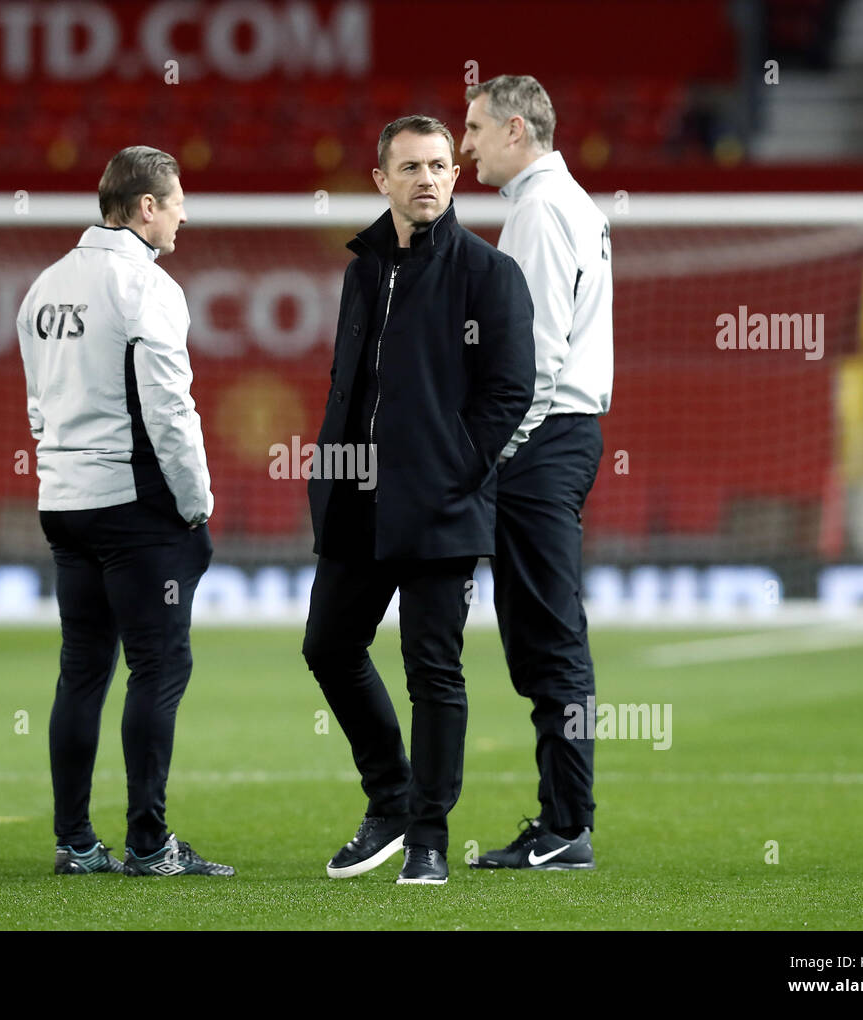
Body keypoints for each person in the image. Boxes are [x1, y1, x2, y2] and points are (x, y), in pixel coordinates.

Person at [302, 115, 535, 885]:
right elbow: (352, 384)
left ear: (455, 176)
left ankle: (429, 834)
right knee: (328, 647)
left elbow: (511, 392)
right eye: (410, 167)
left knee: (432, 669)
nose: (428, 178)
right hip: (358, 498)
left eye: (439, 164)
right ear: (382, 181)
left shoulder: (489, 274)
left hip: (441, 505)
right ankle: (391, 800)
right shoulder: (363, 268)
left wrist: (454, 468)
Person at [16, 145, 233, 878]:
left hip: (63, 502)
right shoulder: (145, 286)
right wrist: (196, 504)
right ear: (146, 207)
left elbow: (37, 407)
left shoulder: (42, 288)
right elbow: (170, 410)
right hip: (134, 506)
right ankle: (149, 844)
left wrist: (58, 473)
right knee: (159, 667)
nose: (182, 217)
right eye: (176, 203)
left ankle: (75, 843)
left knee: (82, 670)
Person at [460, 75, 613, 870]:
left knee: (549, 633)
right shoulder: (559, 202)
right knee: (538, 630)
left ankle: (566, 826)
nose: (465, 144)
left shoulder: (543, 210)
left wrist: (493, 452)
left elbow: (535, 357)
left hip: (544, 439)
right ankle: (564, 820)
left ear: (516, 129)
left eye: (476, 126)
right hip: (558, 434)